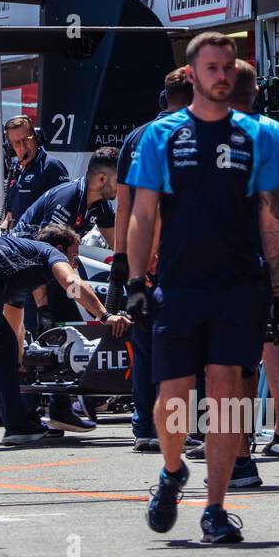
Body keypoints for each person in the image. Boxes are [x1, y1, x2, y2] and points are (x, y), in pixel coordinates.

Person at [125, 32, 279, 544]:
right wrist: (133, 280)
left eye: (227, 67)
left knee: (226, 397)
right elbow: (142, 212)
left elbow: (269, 214)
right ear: (193, 75)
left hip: (240, 287)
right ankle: (172, 471)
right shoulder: (162, 136)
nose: (220, 75)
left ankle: (216, 508)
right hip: (179, 286)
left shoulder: (256, 137)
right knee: (175, 395)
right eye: (211, 67)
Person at [0, 224, 130, 451]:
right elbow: (72, 285)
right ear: (60, 249)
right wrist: (105, 315)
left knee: (4, 347)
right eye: (74, 256)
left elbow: (13, 315)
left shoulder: (21, 261)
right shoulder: (47, 252)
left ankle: (18, 426)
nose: (74, 263)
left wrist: (19, 354)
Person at [230, 60, 279, 474]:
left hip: (219, 263)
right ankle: (276, 433)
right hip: (268, 265)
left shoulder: (207, 131)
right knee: (265, 346)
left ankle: (236, 451)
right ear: (258, 93)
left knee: (227, 360)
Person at [11, 145, 120, 434]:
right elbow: (40, 255)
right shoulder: (68, 199)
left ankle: (59, 410)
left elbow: (119, 247)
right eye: (119, 179)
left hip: (53, 273)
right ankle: (25, 421)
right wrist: (44, 306)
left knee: (68, 331)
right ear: (101, 179)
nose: (123, 186)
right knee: (41, 337)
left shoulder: (97, 204)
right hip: (27, 276)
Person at [114, 68, 192, 453]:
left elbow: (125, 204)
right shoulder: (191, 132)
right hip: (180, 256)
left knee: (145, 346)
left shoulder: (134, 138)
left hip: (140, 257)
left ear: (163, 99)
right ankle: (186, 428)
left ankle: (144, 426)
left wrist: (123, 259)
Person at [1, 115, 69, 228]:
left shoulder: (52, 167)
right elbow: (10, 214)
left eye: (26, 139)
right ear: (10, 148)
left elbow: (64, 210)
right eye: (17, 143)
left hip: (40, 241)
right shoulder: (14, 170)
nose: (23, 147)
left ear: (36, 138)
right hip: (18, 240)